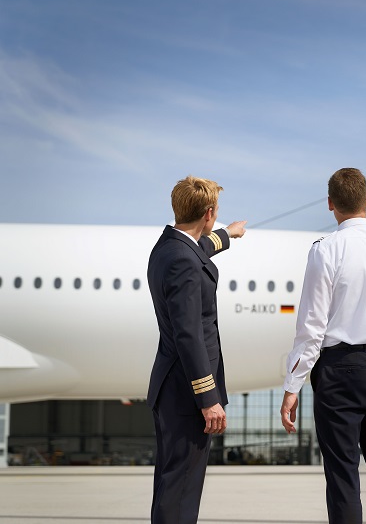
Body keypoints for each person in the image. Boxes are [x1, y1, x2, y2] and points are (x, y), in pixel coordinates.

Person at [280, 167, 366, 524]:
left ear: (331, 204)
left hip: (338, 371)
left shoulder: (326, 251)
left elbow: (312, 326)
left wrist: (293, 384)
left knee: (342, 477)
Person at [146, 175, 247, 524]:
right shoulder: (183, 261)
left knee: (173, 483)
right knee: (182, 489)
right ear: (208, 213)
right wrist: (208, 399)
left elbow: (198, 248)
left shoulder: (169, 247)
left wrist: (227, 235)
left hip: (172, 386)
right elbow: (189, 334)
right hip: (187, 392)